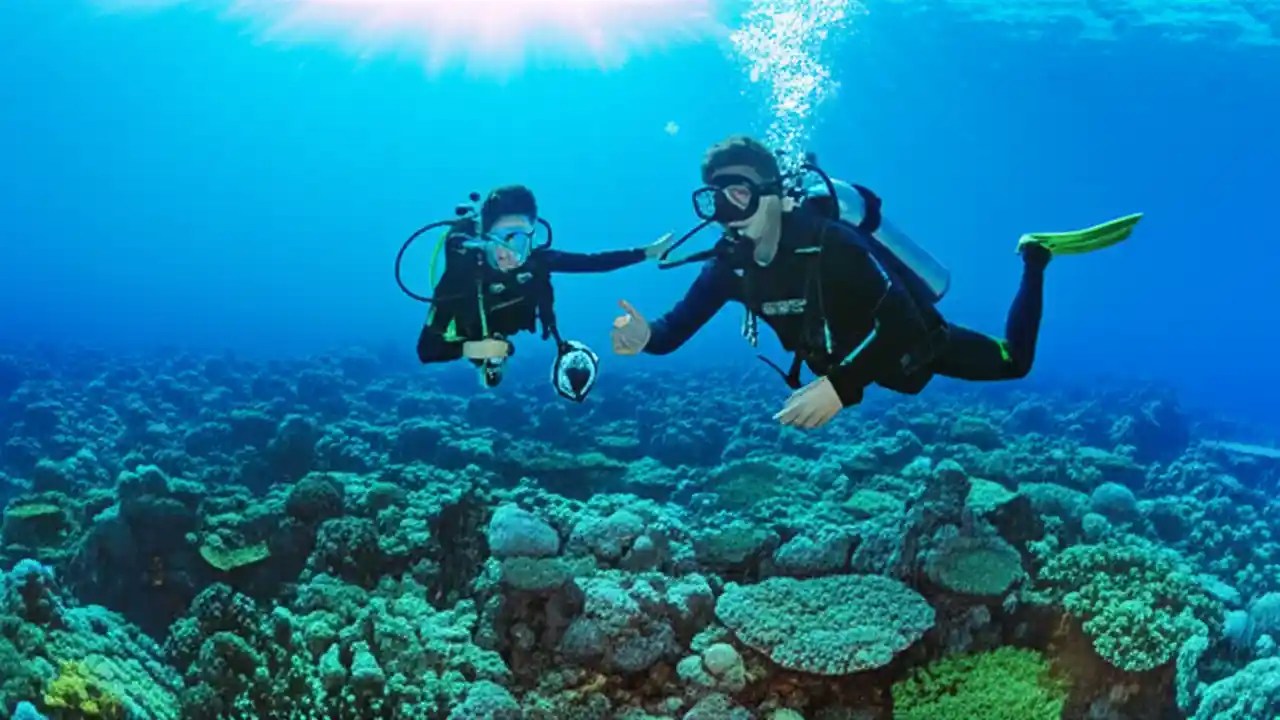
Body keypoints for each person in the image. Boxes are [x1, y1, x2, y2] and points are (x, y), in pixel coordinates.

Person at [610, 135, 1141, 428]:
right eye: (714, 199)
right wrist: (645, 336)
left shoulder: (831, 243)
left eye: (740, 195)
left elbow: (903, 322)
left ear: (774, 193)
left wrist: (841, 388)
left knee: (1015, 362)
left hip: (916, 347)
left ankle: (1035, 255)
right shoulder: (729, 266)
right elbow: (674, 330)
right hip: (848, 362)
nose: (726, 213)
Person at [414, 184, 673, 401]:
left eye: (521, 240)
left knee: (502, 345)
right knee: (487, 353)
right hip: (475, 327)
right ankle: (489, 359)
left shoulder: (536, 260)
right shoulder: (461, 275)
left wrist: (647, 253)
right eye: (503, 238)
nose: (512, 253)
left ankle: (494, 356)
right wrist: (475, 349)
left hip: (513, 318)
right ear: (485, 239)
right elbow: (427, 350)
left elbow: (593, 262)